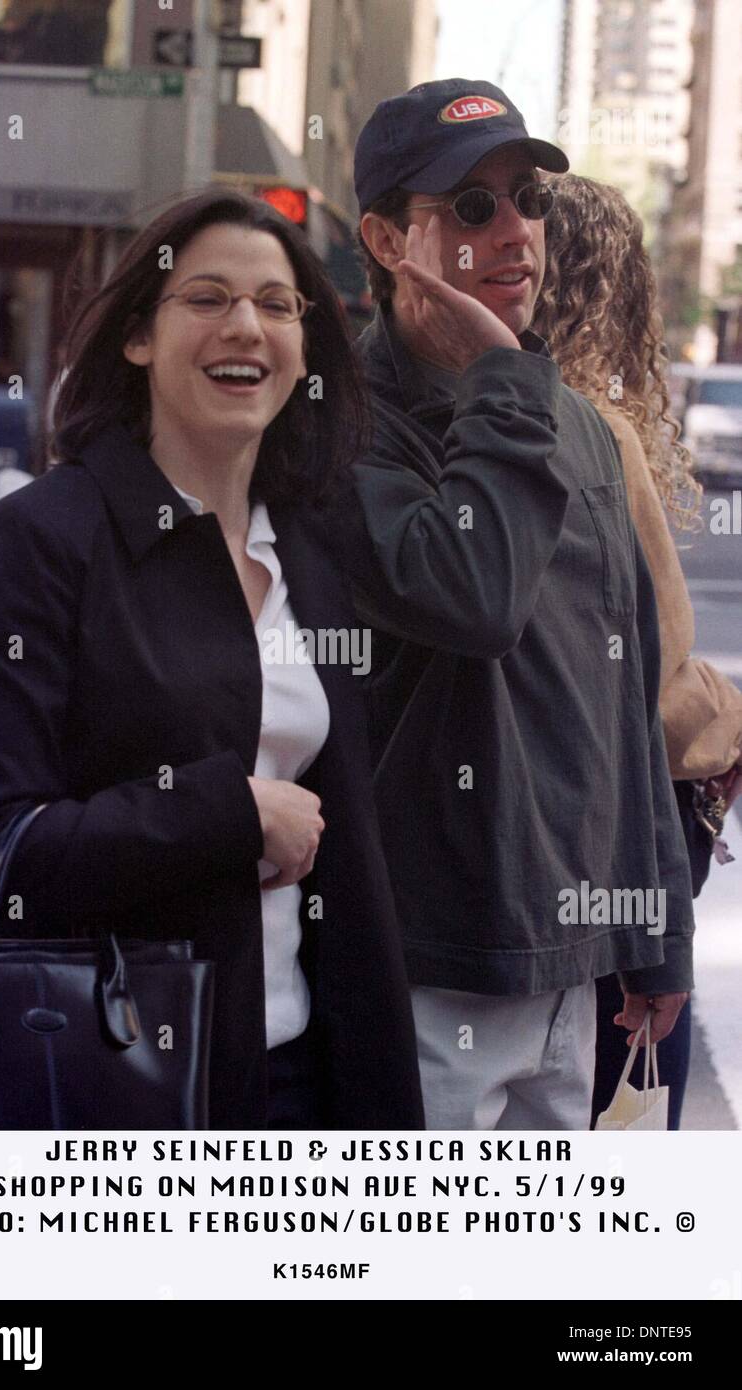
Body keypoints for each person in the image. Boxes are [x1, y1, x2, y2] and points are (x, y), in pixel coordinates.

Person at [0, 187, 424, 1132]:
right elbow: (1, 851)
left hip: (302, 1077)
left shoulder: (317, 550)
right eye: (205, 298)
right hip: (110, 1075)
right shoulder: (42, 537)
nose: (245, 326)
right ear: (136, 339)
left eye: (277, 306)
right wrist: (228, 813)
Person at [339, 78, 694, 1129]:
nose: (516, 234)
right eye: (471, 207)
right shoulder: (341, 426)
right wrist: (506, 382)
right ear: (385, 239)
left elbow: (626, 706)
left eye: (529, 198)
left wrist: (656, 931)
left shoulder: (580, 430)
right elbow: (470, 597)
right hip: (423, 967)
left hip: (571, 969)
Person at [532, 172, 742, 1129]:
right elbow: (649, 687)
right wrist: (725, 716)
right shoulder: (598, 434)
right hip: (614, 866)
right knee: (617, 1124)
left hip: (532, 872)